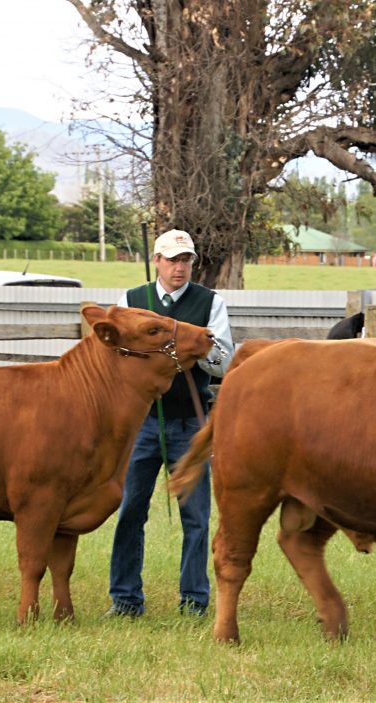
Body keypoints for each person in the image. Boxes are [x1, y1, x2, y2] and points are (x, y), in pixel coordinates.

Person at [106, 229, 234, 618]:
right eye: (173, 260)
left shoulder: (210, 302)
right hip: (141, 423)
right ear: (157, 261)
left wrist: (193, 349)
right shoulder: (132, 300)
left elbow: (225, 362)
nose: (180, 268)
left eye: (186, 260)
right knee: (130, 511)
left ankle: (194, 601)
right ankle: (125, 600)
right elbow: (114, 356)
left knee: (196, 517)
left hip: (191, 424)